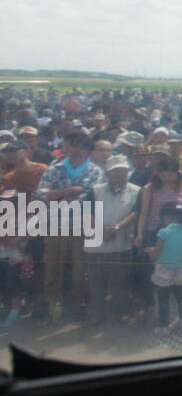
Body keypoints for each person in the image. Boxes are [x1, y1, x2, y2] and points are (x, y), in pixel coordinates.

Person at [37, 130, 104, 323]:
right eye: (69, 145)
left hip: (81, 225)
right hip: (55, 224)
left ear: (85, 149)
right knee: (52, 267)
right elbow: (41, 194)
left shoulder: (95, 171)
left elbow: (91, 197)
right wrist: (69, 191)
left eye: (76, 145)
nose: (72, 149)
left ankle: (78, 305)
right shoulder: (54, 168)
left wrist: (57, 195)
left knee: (79, 269)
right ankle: (52, 306)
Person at [85, 155, 140, 326]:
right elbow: (87, 213)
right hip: (96, 243)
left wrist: (116, 228)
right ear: (108, 173)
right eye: (115, 170)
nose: (119, 174)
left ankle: (120, 313)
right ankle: (97, 315)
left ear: (127, 172)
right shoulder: (95, 190)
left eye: (122, 170)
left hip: (121, 243)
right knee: (96, 283)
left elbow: (135, 213)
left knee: (120, 282)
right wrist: (101, 230)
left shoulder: (137, 191)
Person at [146, 204, 182, 336]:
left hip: (164, 268)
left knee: (163, 297)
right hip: (181, 266)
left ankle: (163, 326)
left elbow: (156, 253)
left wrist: (150, 252)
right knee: (181, 295)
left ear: (166, 218)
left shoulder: (164, 232)